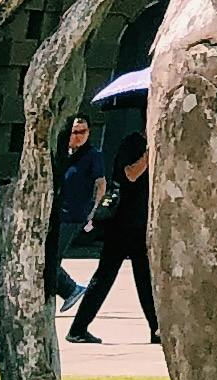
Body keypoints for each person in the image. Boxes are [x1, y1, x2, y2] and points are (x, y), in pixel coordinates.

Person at [65, 131, 152, 344]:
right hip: (122, 223)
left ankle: (156, 328)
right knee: (105, 276)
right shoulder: (132, 143)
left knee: (145, 279)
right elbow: (129, 175)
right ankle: (78, 328)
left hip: (140, 223)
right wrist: (149, 155)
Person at [48, 114, 103, 300]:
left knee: (50, 257)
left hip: (74, 214)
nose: (79, 136)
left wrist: (94, 210)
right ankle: (55, 291)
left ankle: (70, 288)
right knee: (48, 255)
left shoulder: (93, 155)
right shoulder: (63, 154)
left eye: (83, 132)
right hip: (56, 211)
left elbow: (100, 183)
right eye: (75, 132)